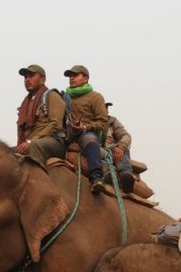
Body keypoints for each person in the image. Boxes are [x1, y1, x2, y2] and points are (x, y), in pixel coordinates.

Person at [63, 65, 109, 193]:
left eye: (75, 75)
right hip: (67, 132)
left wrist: (85, 127)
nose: (71, 78)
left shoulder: (95, 97)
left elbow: (103, 122)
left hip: (85, 132)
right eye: (69, 76)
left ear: (86, 78)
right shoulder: (65, 97)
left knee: (90, 140)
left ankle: (97, 177)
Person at [15, 64, 67, 165]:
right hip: (29, 141)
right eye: (25, 77)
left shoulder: (52, 95)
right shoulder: (26, 102)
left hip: (53, 141)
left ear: (42, 79)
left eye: (31, 76)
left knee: (34, 146)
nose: (27, 80)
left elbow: (56, 124)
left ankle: (37, 179)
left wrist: (30, 141)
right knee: (4, 152)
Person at [105, 101, 135, 193]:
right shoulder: (90, 121)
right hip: (98, 148)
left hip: (112, 149)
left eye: (106, 108)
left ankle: (126, 176)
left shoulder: (112, 121)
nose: (106, 111)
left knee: (122, 150)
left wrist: (121, 146)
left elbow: (126, 136)